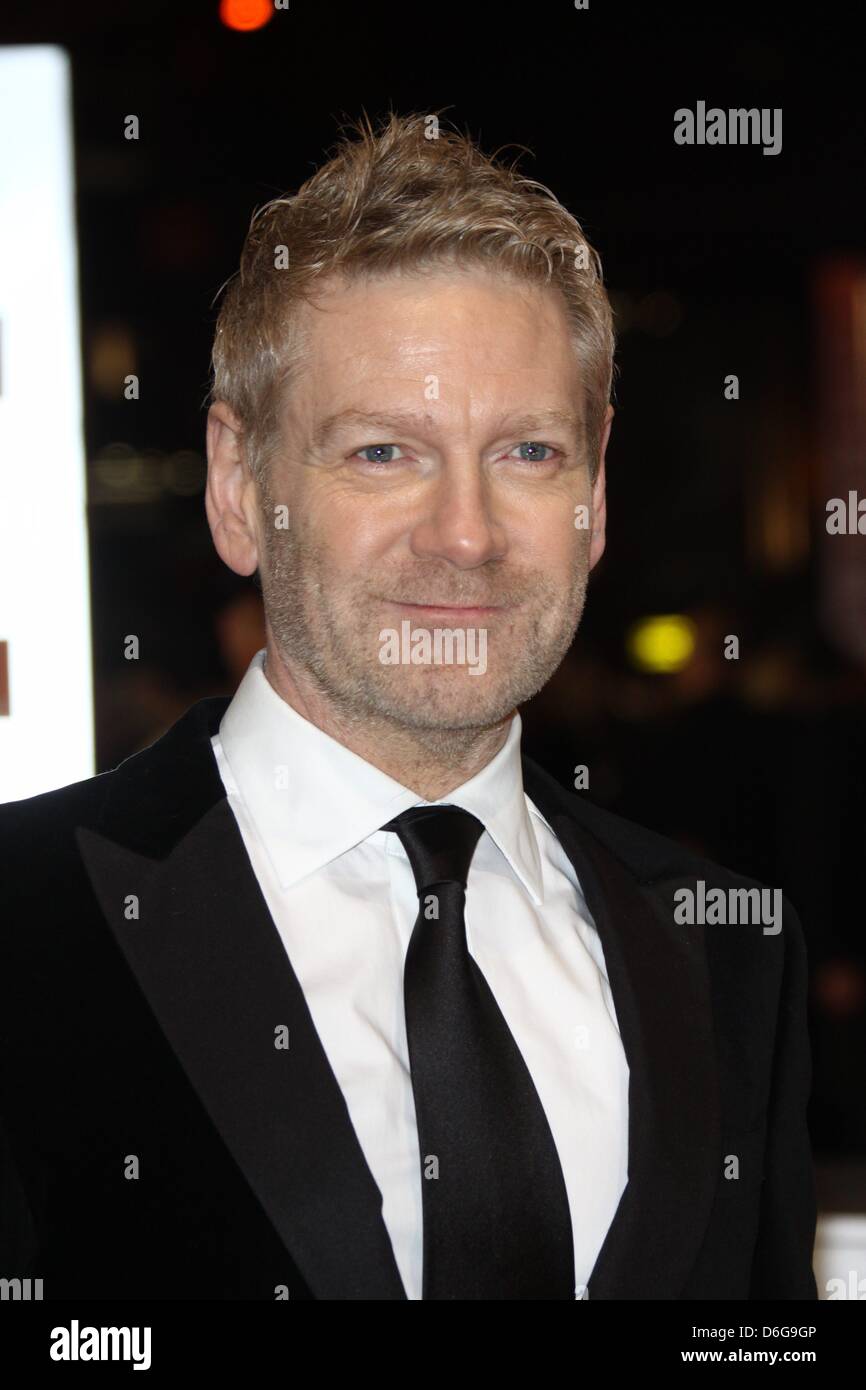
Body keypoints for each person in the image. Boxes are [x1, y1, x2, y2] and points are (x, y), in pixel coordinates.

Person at [0, 112, 817, 1300]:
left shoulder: (730, 951)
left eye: (527, 452)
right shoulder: (25, 926)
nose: (467, 535)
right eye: (384, 452)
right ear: (239, 490)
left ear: (594, 491)